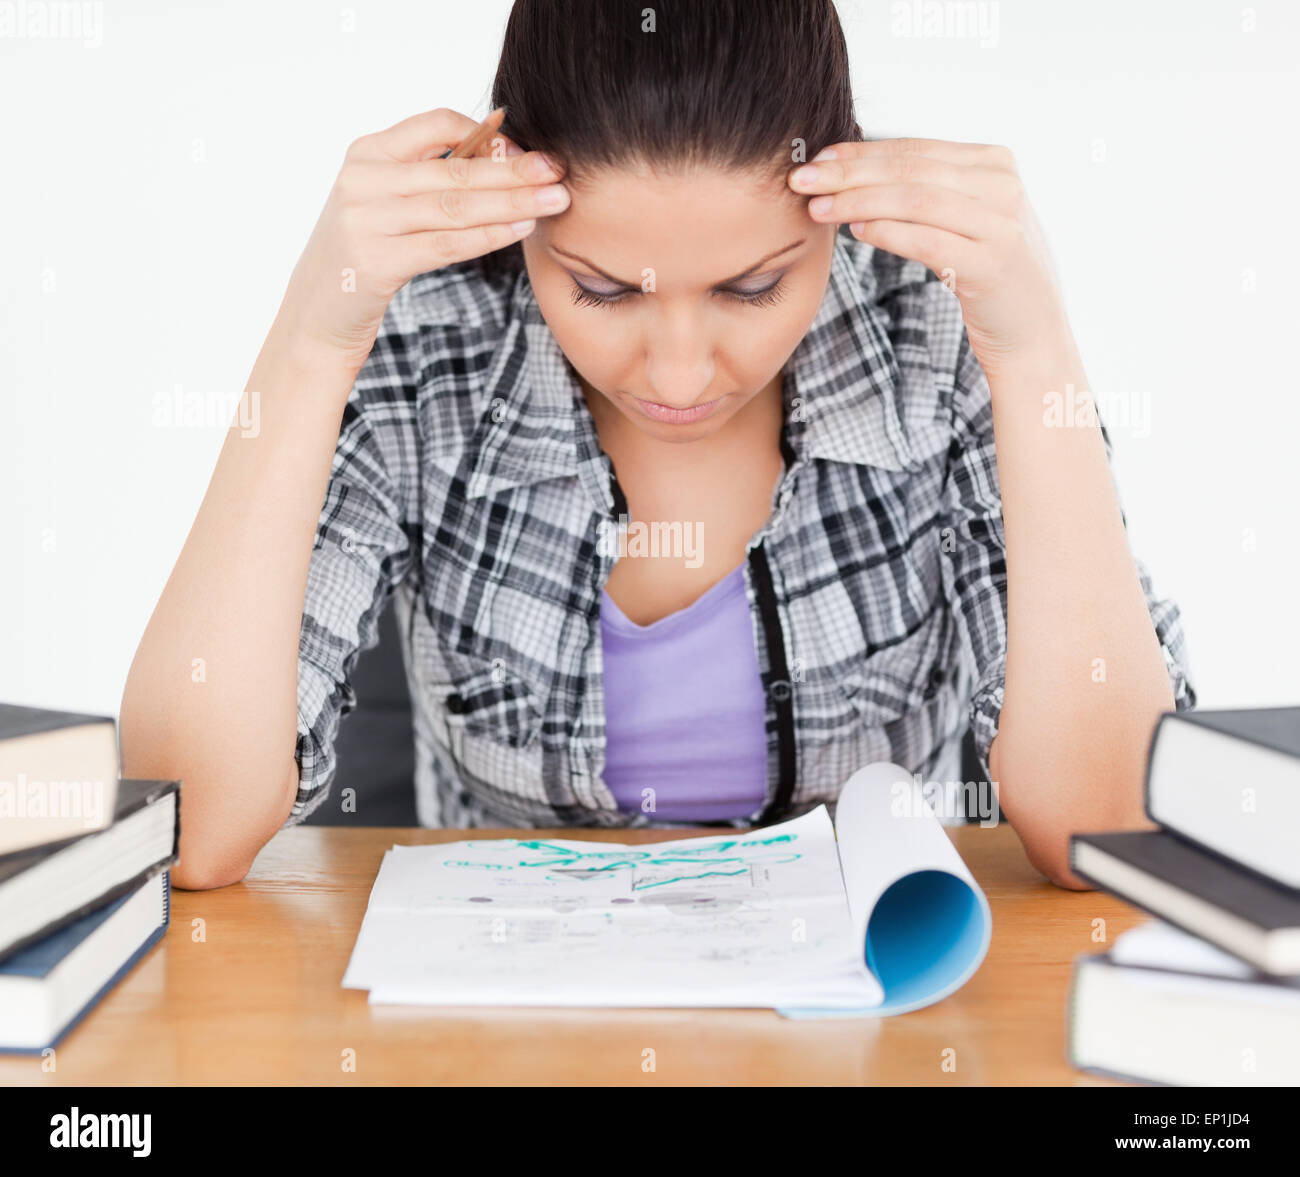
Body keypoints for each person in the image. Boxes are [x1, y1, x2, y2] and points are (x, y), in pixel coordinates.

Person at [119, 0, 1195, 891]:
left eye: (752, 284)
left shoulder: (936, 342)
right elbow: (186, 830)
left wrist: (1037, 350)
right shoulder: (424, 355)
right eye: (597, 287)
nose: (679, 375)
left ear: (841, 198)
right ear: (514, 208)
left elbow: (1112, 832)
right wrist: (313, 337)